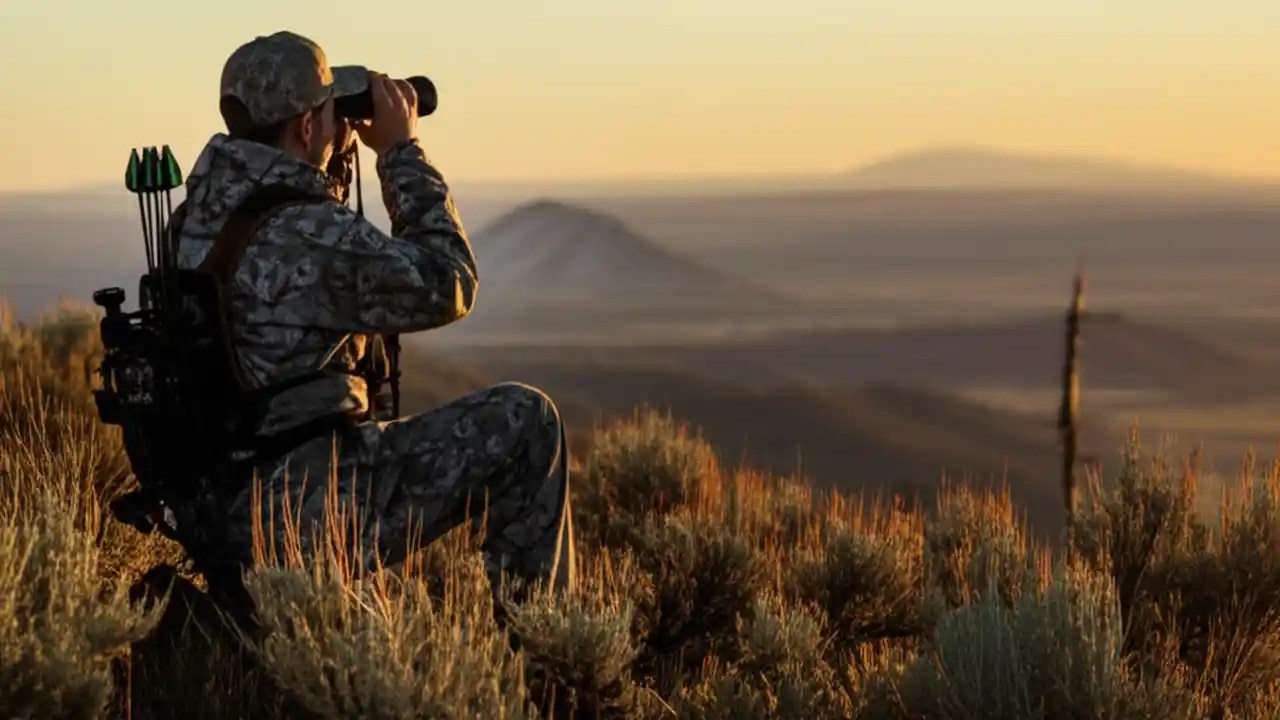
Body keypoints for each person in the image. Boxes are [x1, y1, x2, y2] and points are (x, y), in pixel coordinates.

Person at [169, 30, 575, 599]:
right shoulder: (306, 231)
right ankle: (546, 664)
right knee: (528, 422)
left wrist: (323, 166)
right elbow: (448, 281)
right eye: (332, 113)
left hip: (224, 504)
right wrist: (401, 153)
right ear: (308, 126)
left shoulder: (200, 214)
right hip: (298, 515)